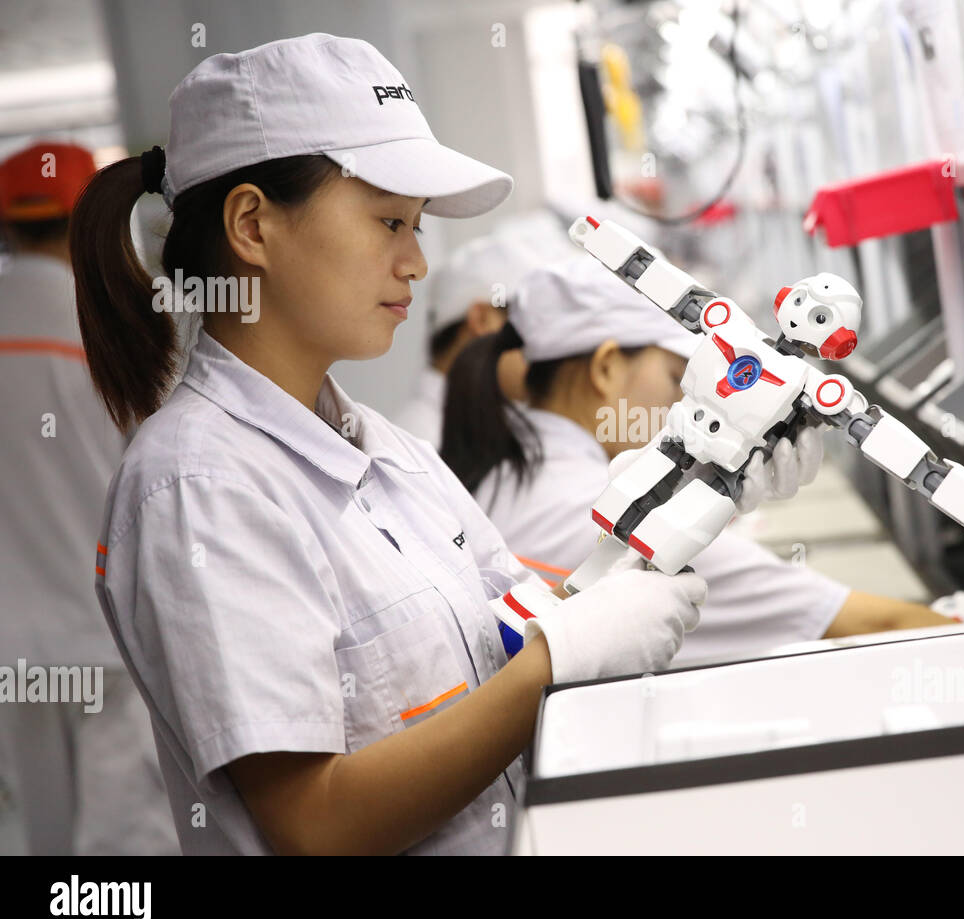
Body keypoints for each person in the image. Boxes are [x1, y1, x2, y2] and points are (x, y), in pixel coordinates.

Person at [69, 33, 766, 856]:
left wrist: (694, 492)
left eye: (418, 225)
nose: (416, 262)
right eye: (390, 221)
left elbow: (519, 628)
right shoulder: (198, 486)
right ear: (252, 224)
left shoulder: (386, 451)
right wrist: (557, 659)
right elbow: (315, 822)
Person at [441, 256, 954, 666]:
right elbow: (880, 625)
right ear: (604, 369)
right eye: (676, 377)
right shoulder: (578, 502)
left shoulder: (502, 464)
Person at [0, 141, 178, 854]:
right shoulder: (112, 327)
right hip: (106, 631)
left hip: (12, 647)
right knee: (124, 834)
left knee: (40, 829)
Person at [392, 215, 571, 448]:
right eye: (540, 320)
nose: (553, 347)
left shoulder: (479, 429)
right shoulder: (419, 445)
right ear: (482, 319)